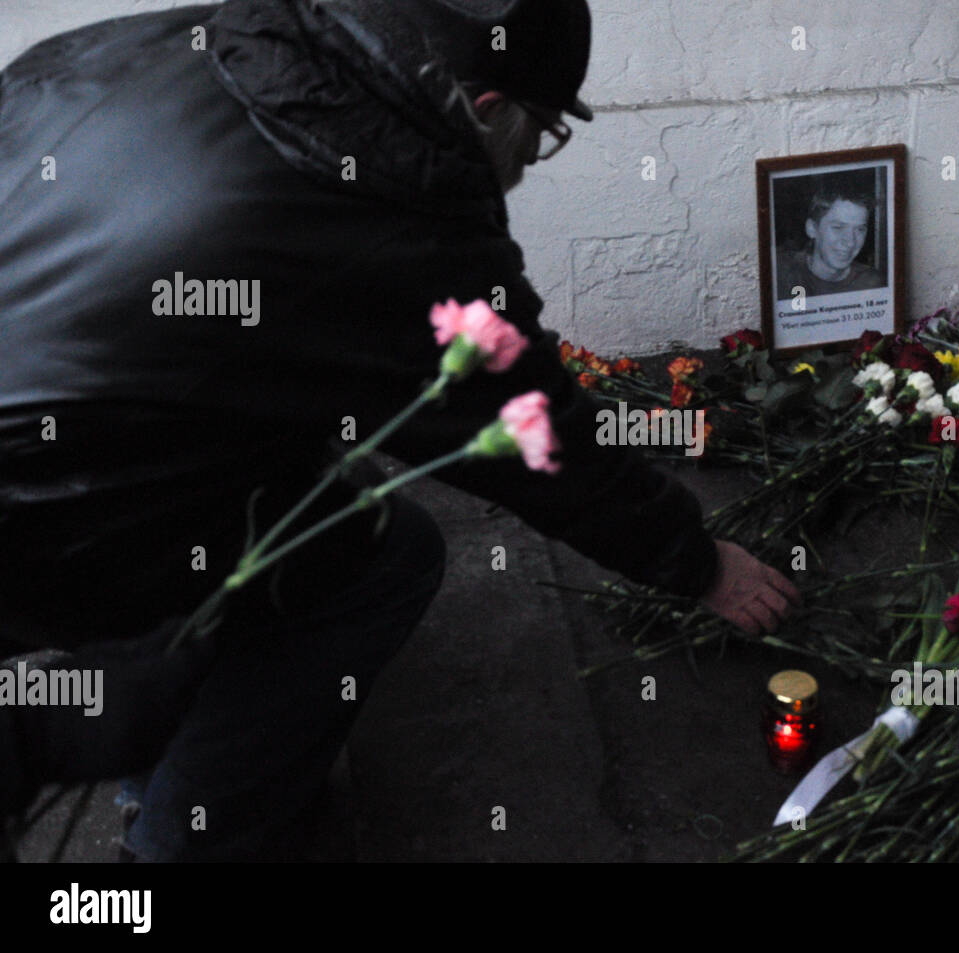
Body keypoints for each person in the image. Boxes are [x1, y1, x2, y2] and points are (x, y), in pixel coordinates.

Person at [0, 0, 799, 861]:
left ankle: (151, 745)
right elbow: (540, 443)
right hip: (53, 515)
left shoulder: (180, 41)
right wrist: (700, 563)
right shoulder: (394, 207)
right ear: (487, 109)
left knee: (267, 489)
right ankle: (189, 838)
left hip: (68, 451)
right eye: (539, 137)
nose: (528, 166)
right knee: (382, 560)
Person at [775, 187, 885, 299]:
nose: (851, 242)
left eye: (860, 229)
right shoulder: (780, 272)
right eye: (838, 227)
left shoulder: (871, 284)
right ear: (812, 229)